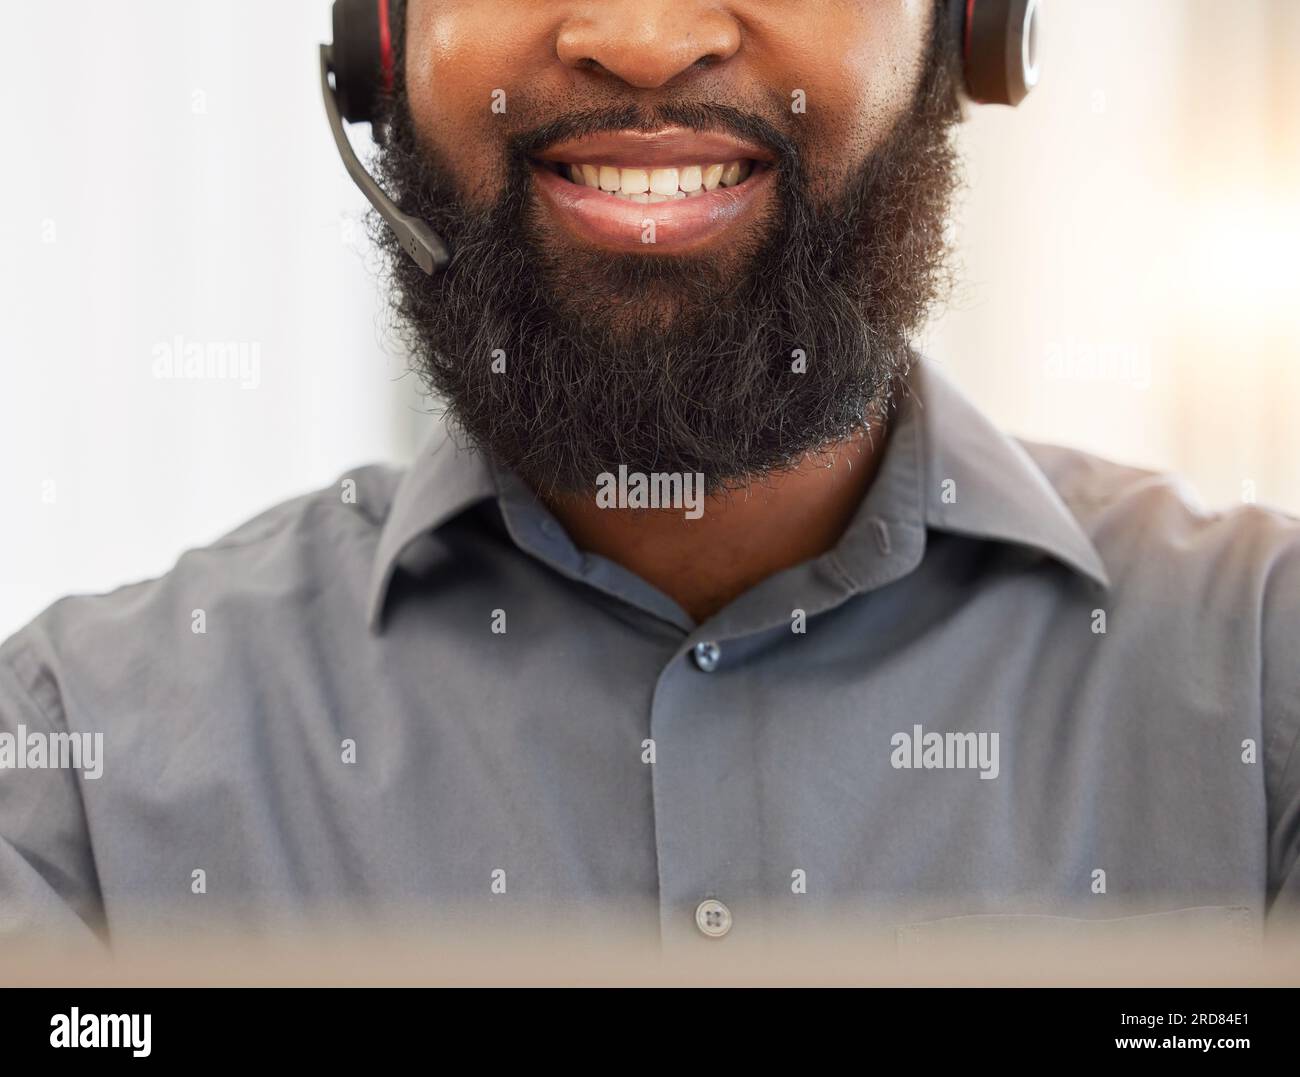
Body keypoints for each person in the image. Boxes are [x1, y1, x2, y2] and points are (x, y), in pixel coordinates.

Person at [1, 0, 1296, 957]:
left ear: (970, 26)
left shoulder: (1268, 683)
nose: (643, 34)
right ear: (374, 37)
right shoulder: (74, 781)